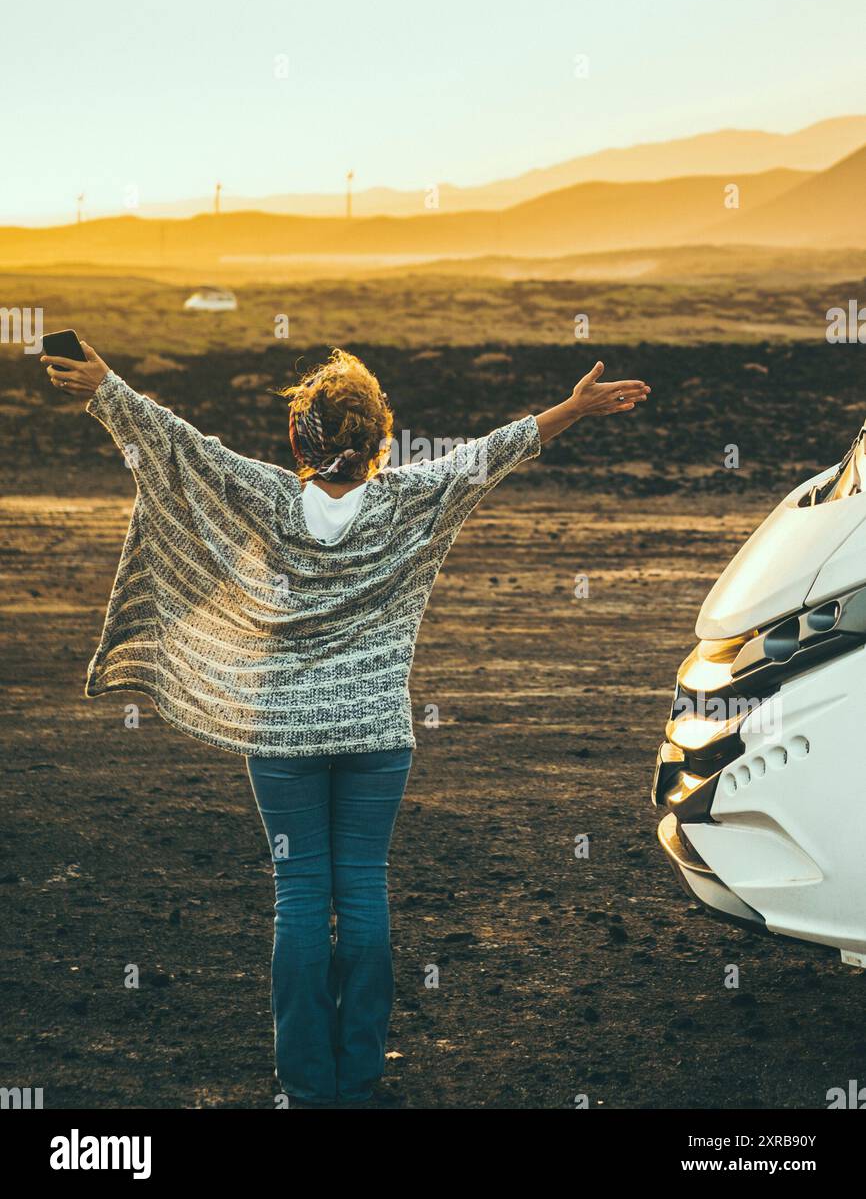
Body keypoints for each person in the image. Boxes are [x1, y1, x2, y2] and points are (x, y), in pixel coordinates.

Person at [42, 340, 650, 1108]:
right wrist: (576, 407)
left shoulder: (263, 493)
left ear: (300, 438)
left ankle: (303, 1089)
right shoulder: (411, 497)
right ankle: (358, 1083)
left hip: (283, 739)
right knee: (362, 891)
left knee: (298, 894)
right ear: (379, 440)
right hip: (376, 739)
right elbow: (496, 452)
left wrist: (108, 388)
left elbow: (177, 445)